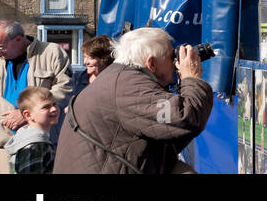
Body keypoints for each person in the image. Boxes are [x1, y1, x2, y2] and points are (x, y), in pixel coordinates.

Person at [53, 27, 213, 174]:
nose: (175, 63)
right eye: (171, 56)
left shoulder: (120, 78)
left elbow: (168, 135)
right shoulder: (128, 87)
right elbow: (185, 117)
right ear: (151, 63)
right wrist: (191, 77)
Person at [0, 19, 72, 174]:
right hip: (3, 144)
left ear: (18, 39)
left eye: (0, 47)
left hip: (41, 142)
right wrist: (12, 116)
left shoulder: (51, 53)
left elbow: (65, 88)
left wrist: (26, 114)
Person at [5, 86, 60, 174]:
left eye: (54, 104)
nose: (54, 109)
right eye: (46, 107)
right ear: (28, 115)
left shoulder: (26, 136)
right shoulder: (36, 145)